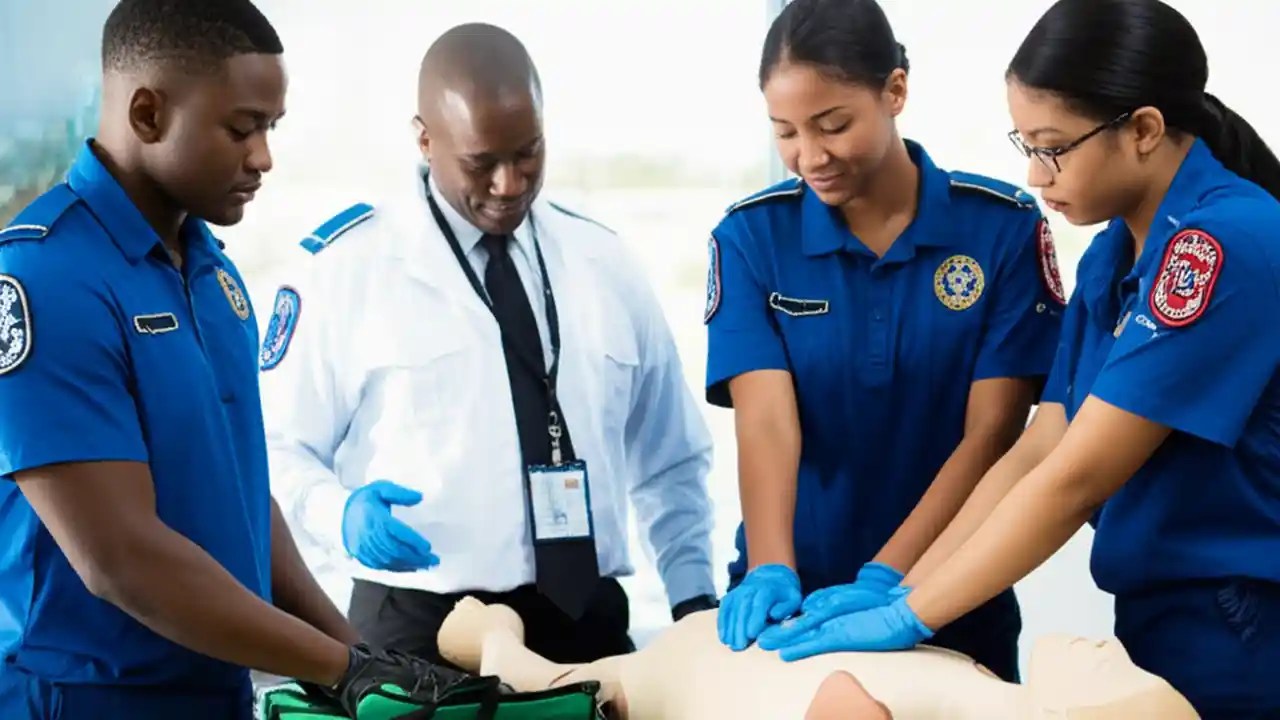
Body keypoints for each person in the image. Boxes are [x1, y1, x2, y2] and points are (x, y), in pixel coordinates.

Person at [759, 1, 1280, 717]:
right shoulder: (1111, 258)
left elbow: (1078, 477)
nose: (1037, 175)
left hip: (1245, 627)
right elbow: (1039, 448)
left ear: (1145, 131)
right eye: (1025, 145)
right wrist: (904, 586)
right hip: (1164, 619)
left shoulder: (1218, 245)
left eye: (1054, 146)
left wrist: (915, 617)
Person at [0, 2, 473, 718]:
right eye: (241, 127)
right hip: (85, 700)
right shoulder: (47, 281)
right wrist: (339, 666)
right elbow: (120, 559)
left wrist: (366, 662)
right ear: (149, 114)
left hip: (220, 693)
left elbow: (245, 503)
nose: (263, 158)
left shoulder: (215, 278)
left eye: (271, 128)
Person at [260, 22, 717, 667]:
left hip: (585, 629)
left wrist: (694, 602)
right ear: (424, 139)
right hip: (419, 633)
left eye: (527, 154)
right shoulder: (345, 270)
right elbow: (277, 448)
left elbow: (671, 458)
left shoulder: (603, 262)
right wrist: (339, 514)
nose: (508, 184)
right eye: (481, 164)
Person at [705, 0, 1065, 681]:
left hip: (947, 596)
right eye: (785, 132)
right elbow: (767, 422)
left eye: (833, 124)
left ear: (895, 91)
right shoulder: (751, 238)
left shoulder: (1002, 231)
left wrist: (893, 581)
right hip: (793, 604)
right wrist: (771, 564)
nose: (809, 156)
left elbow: (991, 436)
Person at [427, 596, 1198, 719]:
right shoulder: (990, 699)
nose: (1103, 648)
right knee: (554, 680)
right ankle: (490, 631)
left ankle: (489, 629)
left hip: (701, 675)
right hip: (720, 657)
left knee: (546, 679)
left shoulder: (991, 699)